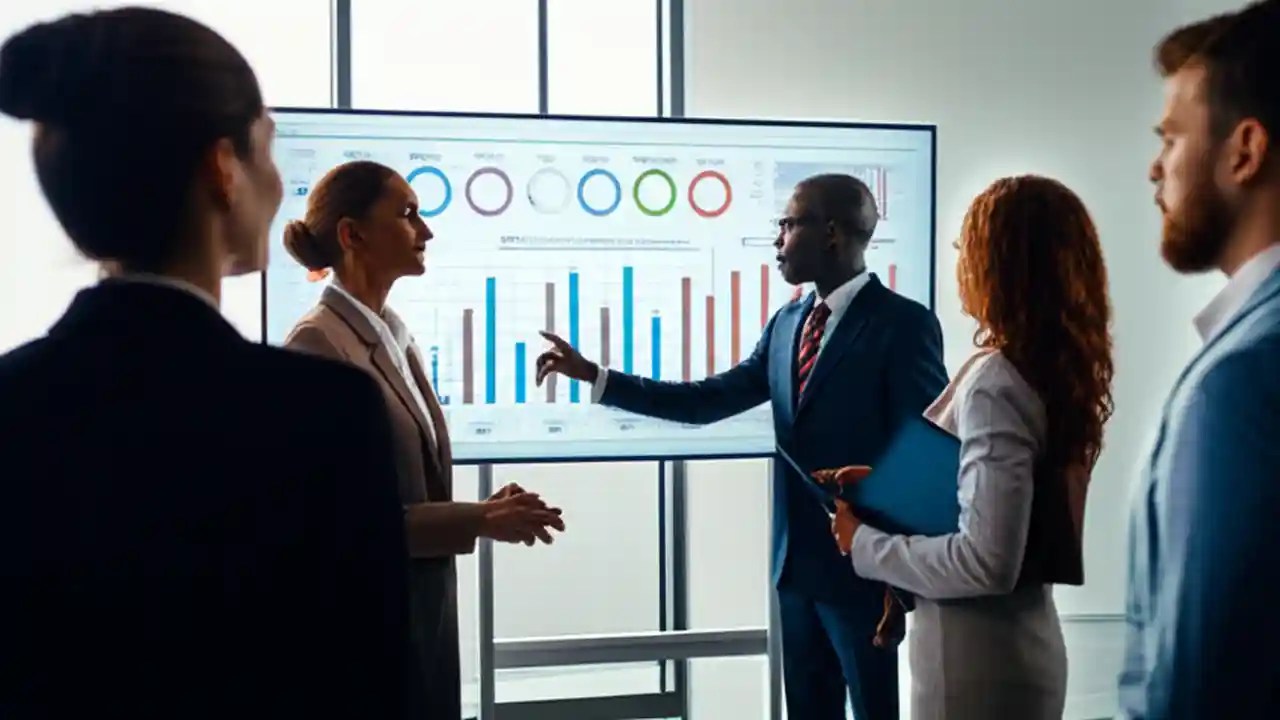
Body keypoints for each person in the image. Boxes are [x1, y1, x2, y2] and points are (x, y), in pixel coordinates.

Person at [0, 8, 413, 719]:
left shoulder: (13, 401)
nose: (280, 185)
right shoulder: (324, 413)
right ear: (224, 169)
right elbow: (367, 688)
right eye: (266, 151)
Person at [537, 173, 947, 720]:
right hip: (794, 570)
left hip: (866, 574)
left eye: (787, 223)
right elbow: (708, 400)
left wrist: (899, 573)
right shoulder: (788, 323)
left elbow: (926, 451)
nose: (776, 239)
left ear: (829, 232)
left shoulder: (903, 324)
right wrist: (597, 376)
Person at [281, 159, 567, 719]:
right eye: (408, 215)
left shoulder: (394, 337)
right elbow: (339, 526)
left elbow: (407, 485)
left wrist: (482, 511)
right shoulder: (317, 345)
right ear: (351, 234)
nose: (427, 231)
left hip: (420, 627)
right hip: (364, 640)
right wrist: (478, 521)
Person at [826, 175, 1115, 718]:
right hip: (1013, 653)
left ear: (1000, 263)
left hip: (974, 672)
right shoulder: (1045, 370)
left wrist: (862, 542)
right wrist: (898, 492)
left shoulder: (997, 382)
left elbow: (986, 563)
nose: (958, 258)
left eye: (968, 245)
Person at [1121, 3, 1280, 717]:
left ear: (1243, 151)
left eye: (1172, 138)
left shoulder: (1240, 381)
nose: (1155, 168)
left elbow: (1198, 691)